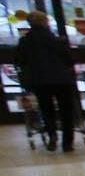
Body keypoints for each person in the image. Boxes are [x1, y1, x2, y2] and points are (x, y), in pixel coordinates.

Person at [15, 11, 76, 152]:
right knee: (66, 110)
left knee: (46, 109)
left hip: (39, 80)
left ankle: (52, 135)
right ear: (45, 22)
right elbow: (69, 60)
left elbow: (19, 60)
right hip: (61, 80)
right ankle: (68, 142)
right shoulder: (57, 40)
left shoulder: (25, 41)